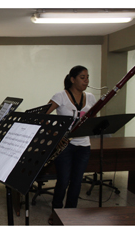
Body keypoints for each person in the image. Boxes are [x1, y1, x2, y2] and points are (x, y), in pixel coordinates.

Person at [44, 66, 97, 209]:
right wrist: (55, 134)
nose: (86, 81)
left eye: (87, 77)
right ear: (72, 79)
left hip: (84, 145)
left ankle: (70, 213)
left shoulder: (91, 97)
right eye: (82, 77)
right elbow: (43, 116)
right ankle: (56, 211)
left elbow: (93, 119)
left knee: (77, 181)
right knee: (63, 180)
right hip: (65, 145)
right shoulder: (60, 96)